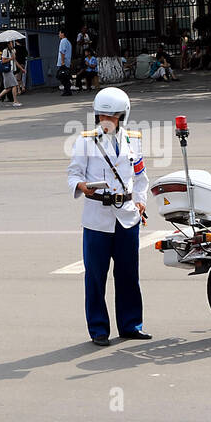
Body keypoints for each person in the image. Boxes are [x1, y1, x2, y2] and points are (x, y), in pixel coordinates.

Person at [66, 87, 151, 347]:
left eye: (112, 117)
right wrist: (81, 187)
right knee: (95, 276)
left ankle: (131, 325)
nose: (106, 121)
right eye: (102, 116)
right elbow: (73, 174)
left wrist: (140, 202)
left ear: (122, 117)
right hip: (96, 218)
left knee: (128, 275)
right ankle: (99, 329)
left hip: (126, 217)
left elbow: (140, 178)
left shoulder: (133, 140)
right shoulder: (85, 140)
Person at [57, 29, 74, 96]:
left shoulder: (63, 41)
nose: (59, 34)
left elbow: (62, 52)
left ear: (63, 34)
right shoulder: (68, 42)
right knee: (66, 76)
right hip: (67, 61)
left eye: (60, 33)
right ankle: (67, 90)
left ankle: (67, 90)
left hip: (63, 62)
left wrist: (62, 62)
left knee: (62, 76)